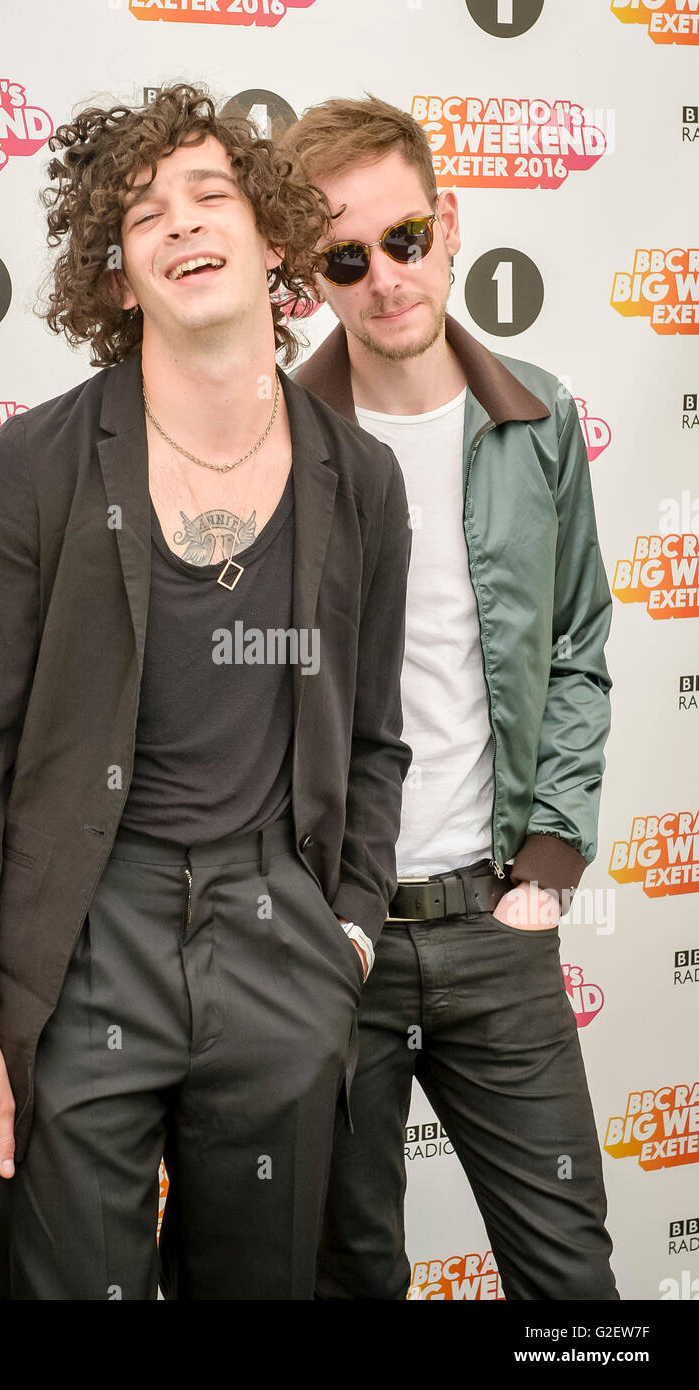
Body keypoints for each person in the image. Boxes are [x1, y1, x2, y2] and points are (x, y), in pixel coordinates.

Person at [0, 83, 412, 1300]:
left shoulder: (360, 478)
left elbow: (374, 737)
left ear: (273, 240)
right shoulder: (33, 466)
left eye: (209, 194)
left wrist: (344, 931)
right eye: (143, 214)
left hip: (276, 935)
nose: (181, 221)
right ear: (121, 280)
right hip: (84, 936)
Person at [281, 94, 618, 1301]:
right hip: (326, 940)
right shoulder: (275, 440)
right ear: (308, 277)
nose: (384, 277)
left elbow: (577, 641)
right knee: (347, 1275)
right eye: (344, 257)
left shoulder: (537, 414)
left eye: (405, 238)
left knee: (570, 1282)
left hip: (494, 923)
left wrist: (550, 862)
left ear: (450, 224)